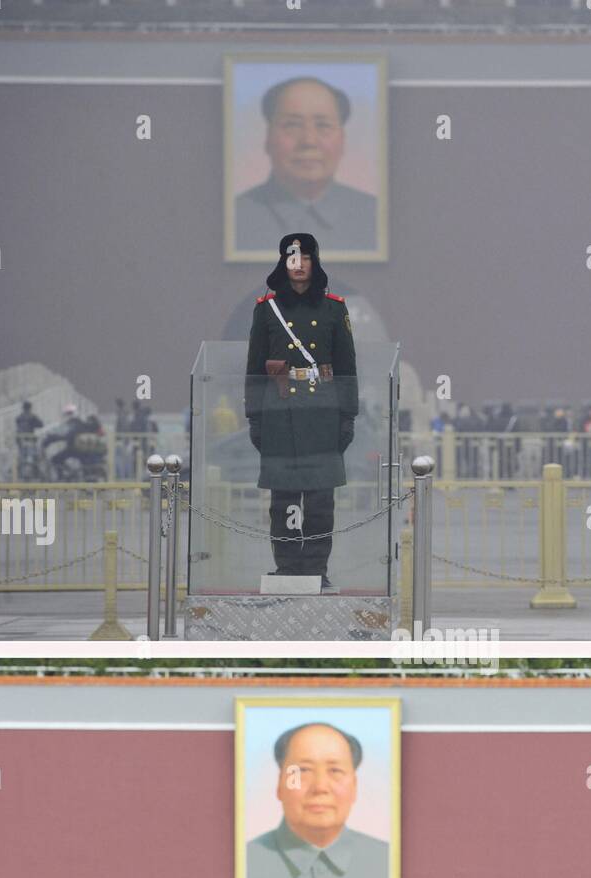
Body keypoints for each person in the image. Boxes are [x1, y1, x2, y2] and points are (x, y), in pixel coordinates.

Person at [245, 233, 358, 589]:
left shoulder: (333, 309)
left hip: (322, 413)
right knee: (283, 499)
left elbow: (346, 368)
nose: (297, 264)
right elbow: (253, 368)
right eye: (291, 257)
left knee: (321, 500)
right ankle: (288, 568)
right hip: (280, 413)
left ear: (314, 262)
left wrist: (347, 415)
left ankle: (316, 568)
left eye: (304, 257)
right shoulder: (267, 309)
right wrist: (255, 416)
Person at [235, 76, 378, 254]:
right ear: (268, 138)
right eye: (292, 125)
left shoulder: (375, 217)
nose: (308, 141)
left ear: (342, 140)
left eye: (323, 125)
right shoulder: (233, 218)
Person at [246, 721, 389, 878]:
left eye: (335, 770)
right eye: (303, 770)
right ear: (280, 784)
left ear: (354, 786)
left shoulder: (390, 864)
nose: (320, 787)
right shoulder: (242, 864)